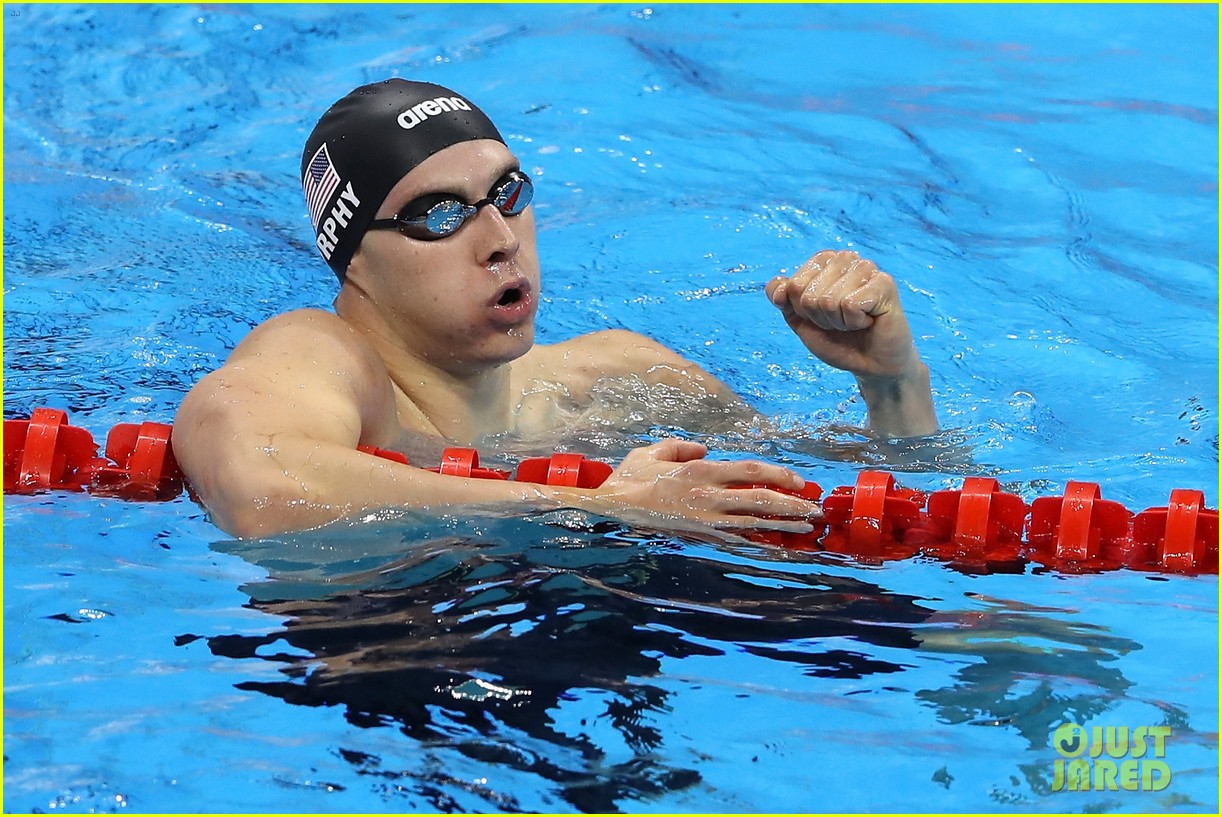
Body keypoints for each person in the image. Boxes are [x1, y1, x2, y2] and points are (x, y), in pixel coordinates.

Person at [172, 78, 938, 539]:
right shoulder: (319, 354)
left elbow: (882, 494)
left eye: (508, 194)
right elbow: (263, 488)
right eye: (440, 215)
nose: (500, 238)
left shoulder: (625, 373)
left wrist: (893, 383)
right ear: (354, 263)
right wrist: (599, 505)